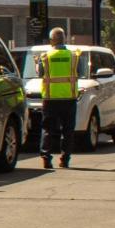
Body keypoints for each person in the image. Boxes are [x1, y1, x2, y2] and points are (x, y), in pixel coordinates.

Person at [37, 27, 79, 169]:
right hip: (69, 98)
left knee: (48, 129)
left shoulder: (45, 57)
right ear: (64, 39)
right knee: (68, 130)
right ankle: (65, 159)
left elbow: (40, 74)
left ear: (51, 41)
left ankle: (46, 158)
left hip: (50, 99)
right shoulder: (73, 56)